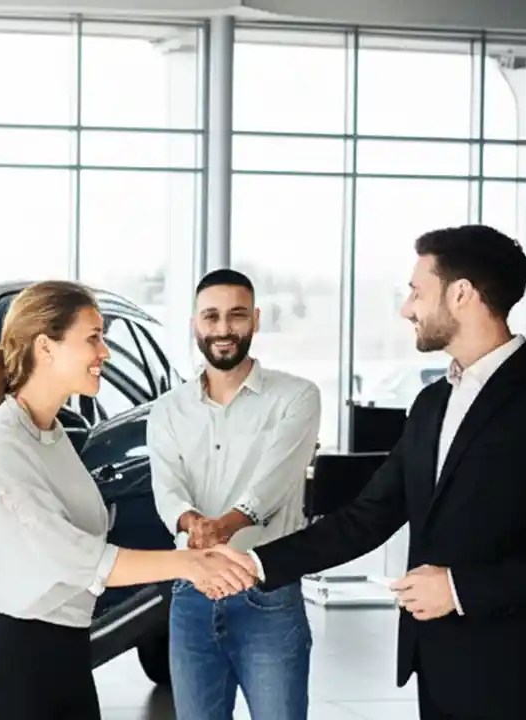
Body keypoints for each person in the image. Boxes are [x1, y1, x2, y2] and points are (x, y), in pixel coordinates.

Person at [225, 225, 526, 719]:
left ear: (461, 294)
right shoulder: (432, 403)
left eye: (417, 292)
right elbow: (367, 517)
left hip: (516, 671)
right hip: (439, 666)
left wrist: (460, 589)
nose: (407, 309)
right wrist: (253, 564)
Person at [0, 280, 258, 720]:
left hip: (66, 652)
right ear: (46, 347)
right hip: (14, 663)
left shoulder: (51, 434)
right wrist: (190, 565)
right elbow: (75, 556)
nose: (105, 353)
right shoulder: (2, 444)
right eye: (93, 338)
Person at [148, 269, 321, 720]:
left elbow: (273, 482)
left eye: (236, 315)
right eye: (211, 316)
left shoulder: (297, 397)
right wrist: (191, 523)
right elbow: (167, 488)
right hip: (192, 592)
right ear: (195, 324)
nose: (223, 328)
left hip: (267, 594)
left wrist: (222, 527)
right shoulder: (167, 410)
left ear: (255, 320)